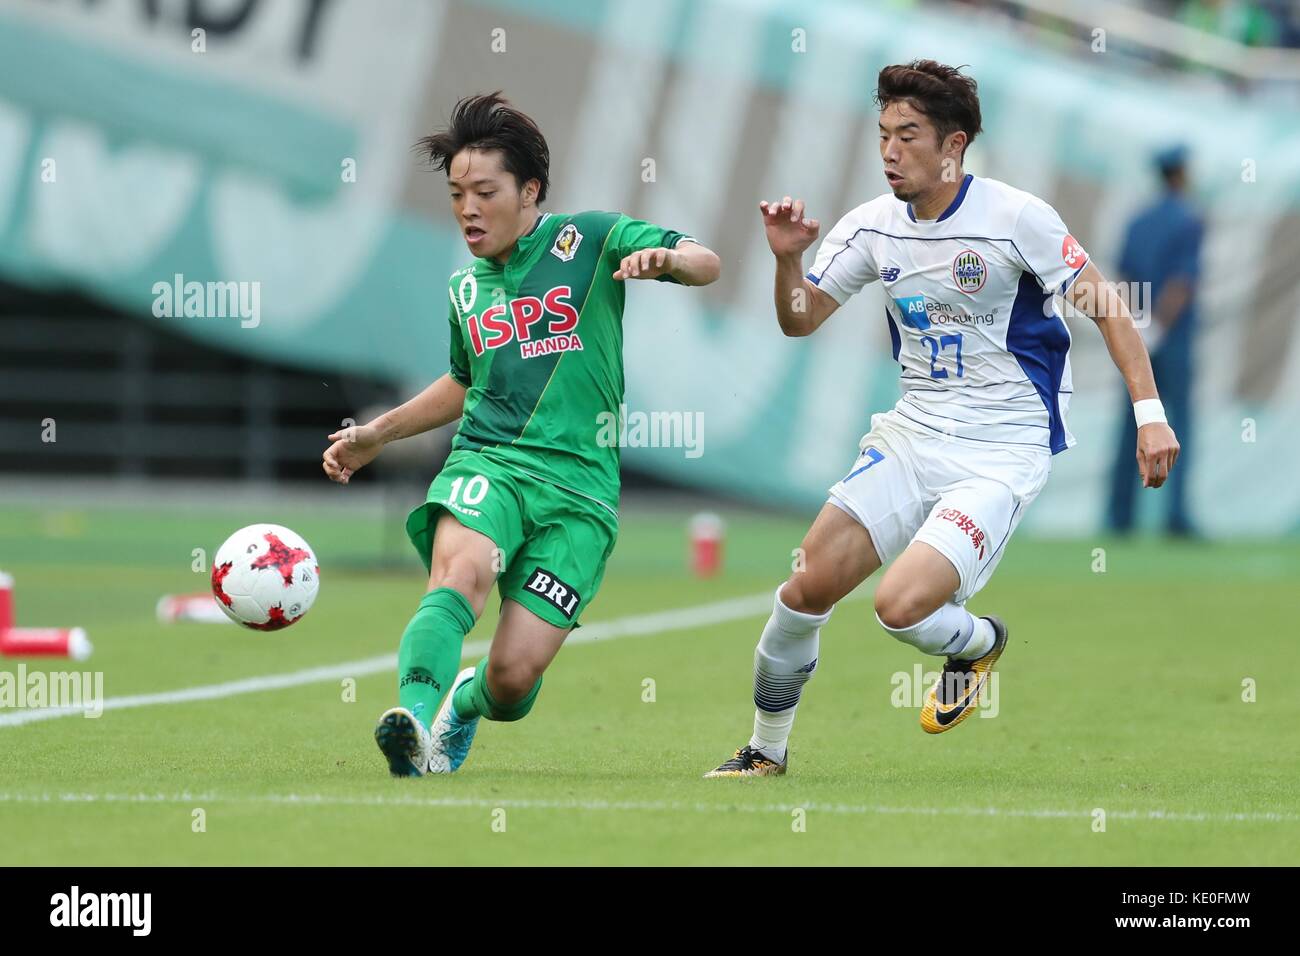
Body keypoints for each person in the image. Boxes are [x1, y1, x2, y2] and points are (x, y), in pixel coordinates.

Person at [706, 60, 1179, 777]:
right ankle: (764, 753)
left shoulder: (1017, 218)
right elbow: (800, 320)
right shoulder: (872, 227)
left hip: (1001, 450)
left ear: (953, 146)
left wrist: (1150, 415)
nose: (890, 152)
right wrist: (786, 263)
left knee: (897, 608)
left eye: (909, 136)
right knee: (803, 590)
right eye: (884, 135)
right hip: (913, 434)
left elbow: (1109, 310)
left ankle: (978, 641)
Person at [322, 92, 720, 776]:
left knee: (511, 679)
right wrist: (377, 434)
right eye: (455, 194)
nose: (467, 210)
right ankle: (412, 724)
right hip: (491, 464)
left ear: (529, 189)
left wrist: (670, 261)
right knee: (459, 574)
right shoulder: (466, 290)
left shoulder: (590, 239)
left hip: (581, 496)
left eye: (484, 192)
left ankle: (463, 706)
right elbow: (461, 382)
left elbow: (707, 261)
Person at [1107, 145, 1202, 537]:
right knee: (1177, 424)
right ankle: (1175, 517)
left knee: (1133, 421)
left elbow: (1123, 279)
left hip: (1137, 336)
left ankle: (1119, 518)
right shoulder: (1189, 219)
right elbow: (1182, 282)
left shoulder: (1137, 220)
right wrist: (1161, 325)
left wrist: (1139, 327)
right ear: (1181, 174)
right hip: (1173, 338)